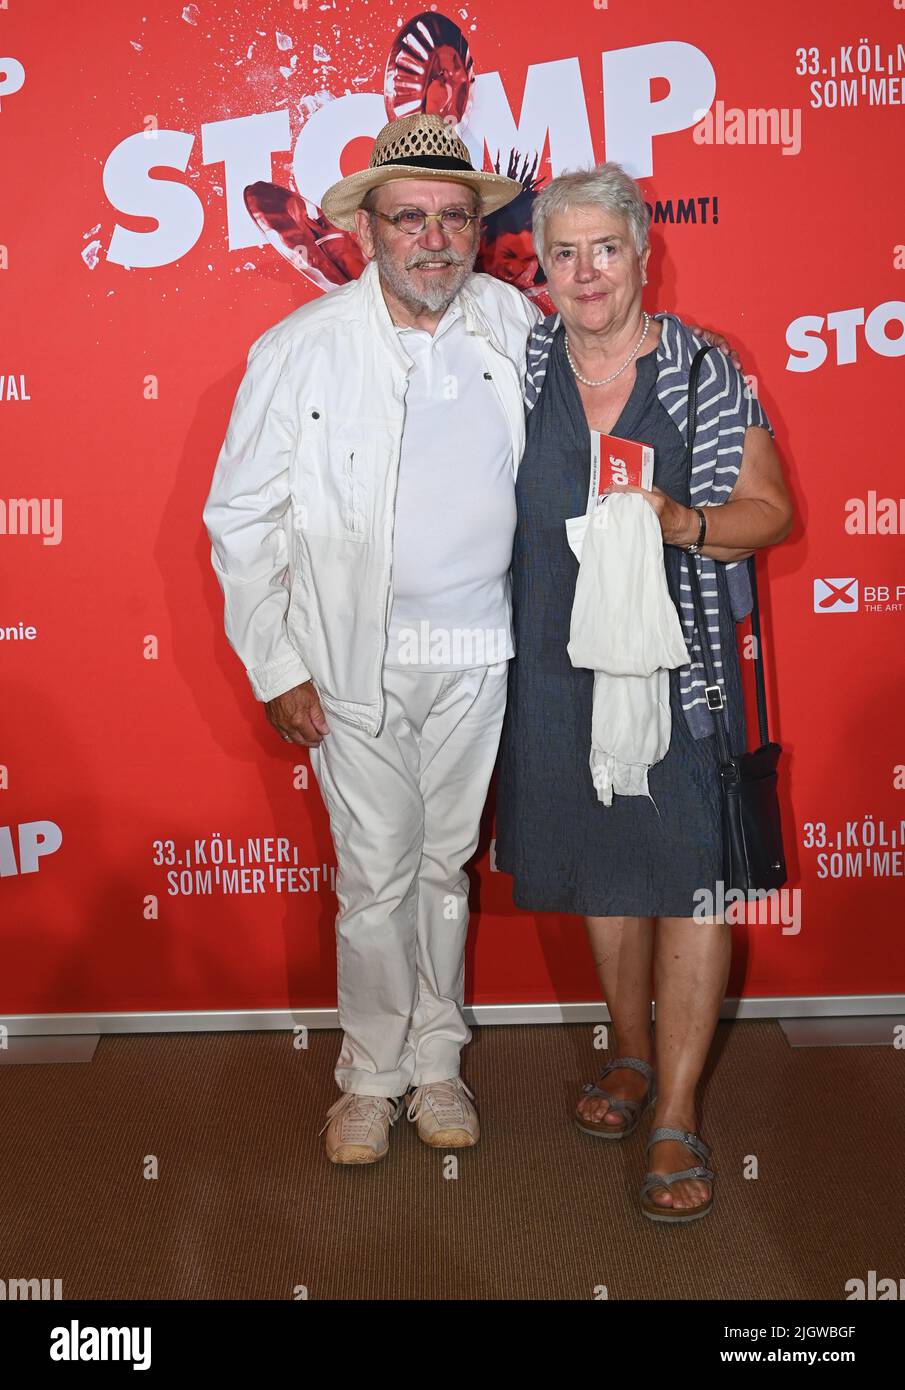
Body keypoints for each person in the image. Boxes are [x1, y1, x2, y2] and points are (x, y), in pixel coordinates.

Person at [203, 113, 539, 1163]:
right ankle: (368, 1075)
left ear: (477, 229)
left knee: (443, 869)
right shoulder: (298, 352)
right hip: (351, 662)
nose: (434, 239)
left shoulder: (520, 333)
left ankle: (436, 1066)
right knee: (375, 875)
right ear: (366, 231)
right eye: (409, 219)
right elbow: (239, 518)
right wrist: (277, 661)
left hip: (481, 655)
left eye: (453, 218)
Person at [493, 164, 793, 1222]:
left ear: (641, 255)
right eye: (561, 252)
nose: (583, 271)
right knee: (606, 869)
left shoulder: (706, 370)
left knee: (689, 878)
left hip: (683, 670)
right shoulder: (519, 361)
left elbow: (767, 509)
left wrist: (683, 524)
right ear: (541, 264)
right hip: (555, 663)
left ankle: (672, 1111)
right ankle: (625, 1054)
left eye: (603, 248)